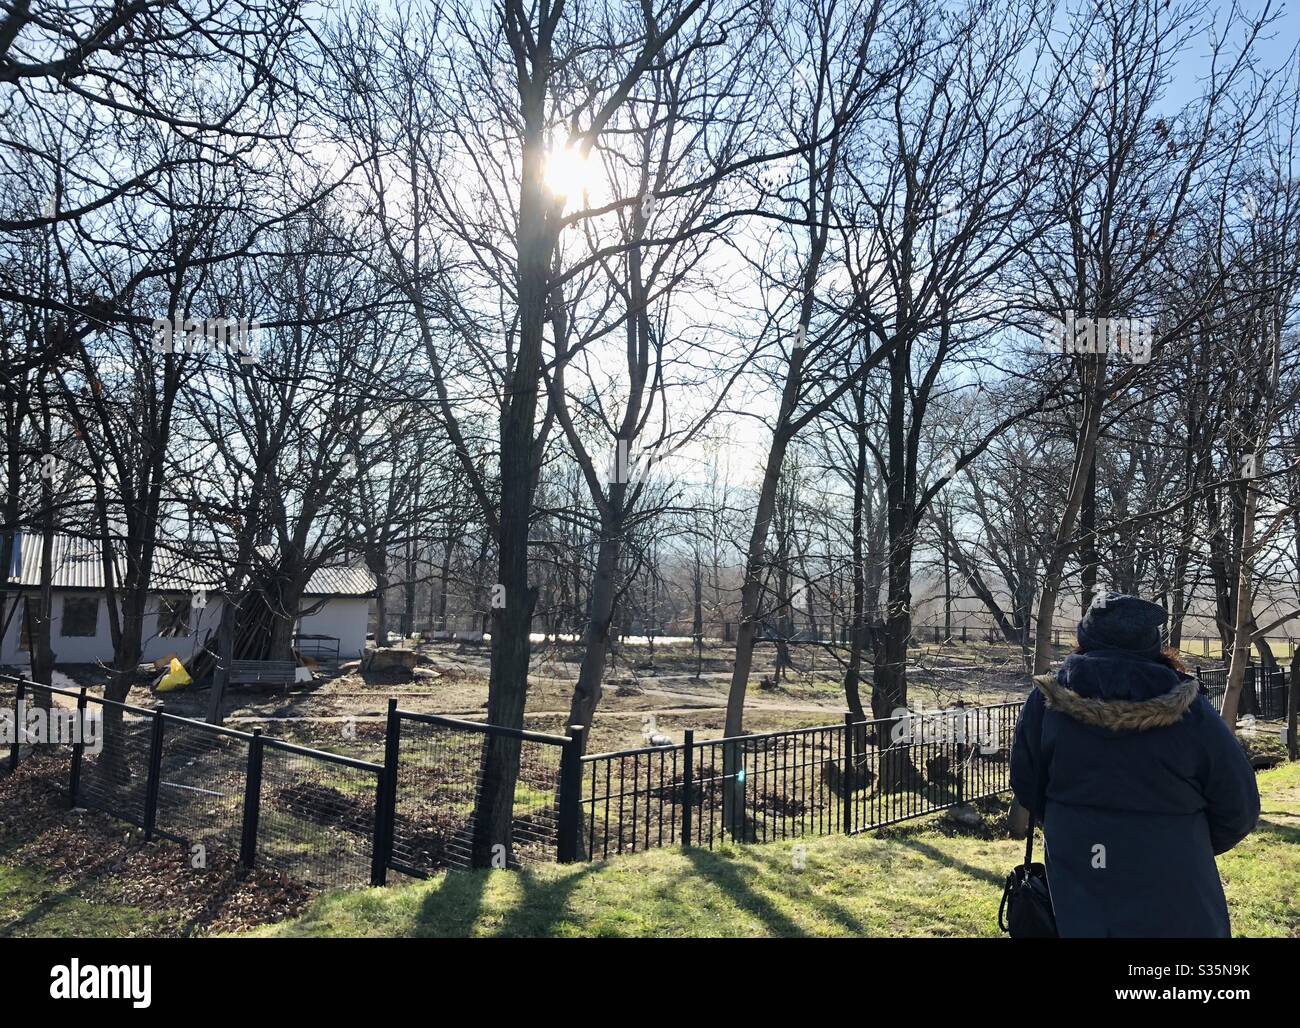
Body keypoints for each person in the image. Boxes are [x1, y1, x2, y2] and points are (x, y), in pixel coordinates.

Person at [1010, 593, 1260, 937]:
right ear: (1153, 645)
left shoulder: (1044, 705)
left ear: (1085, 640)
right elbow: (1239, 807)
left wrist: (1075, 826)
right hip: (1179, 895)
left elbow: (1027, 784)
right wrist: (1180, 840)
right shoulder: (1193, 713)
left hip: (1081, 882)